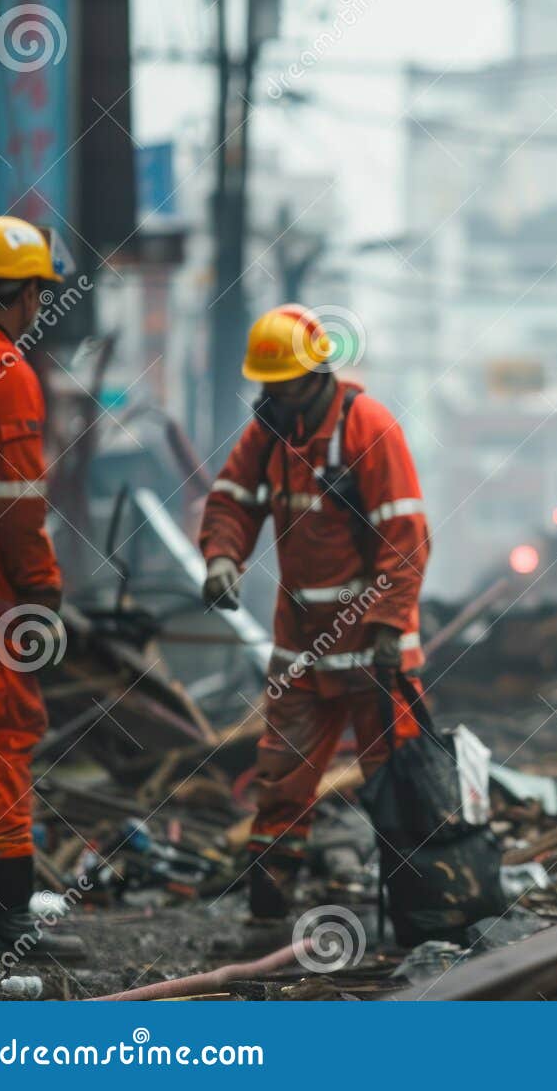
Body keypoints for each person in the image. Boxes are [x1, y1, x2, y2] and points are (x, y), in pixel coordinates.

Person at [199, 305, 429, 921]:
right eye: (268, 389)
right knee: (282, 784)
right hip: (300, 650)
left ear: (319, 374)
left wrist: (385, 623)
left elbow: (406, 536)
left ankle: (416, 917)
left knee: (396, 786)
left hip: (374, 653)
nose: (276, 400)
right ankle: (268, 914)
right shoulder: (269, 433)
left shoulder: (368, 427)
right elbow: (231, 502)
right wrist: (222, 557)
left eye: (287, 387)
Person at [0, 216, 82, 955]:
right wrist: (42, 592)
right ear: (17, 294)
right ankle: (0, 916)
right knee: (0, 739)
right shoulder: (5, 374)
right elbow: (17, 504)